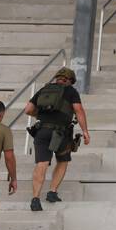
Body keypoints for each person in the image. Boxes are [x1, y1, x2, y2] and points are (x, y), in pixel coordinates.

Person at [24, 67, 90, 212]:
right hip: (61, 133)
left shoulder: (44, 89)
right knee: (63, 160)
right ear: (70, 80)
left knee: (41, 163)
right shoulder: (70, 91)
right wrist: (85, 131)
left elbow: (28, 109)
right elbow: (78, 110)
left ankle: (35, 198)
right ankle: (52, 192)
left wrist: (41, 117)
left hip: (41, 131)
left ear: (57, 78)